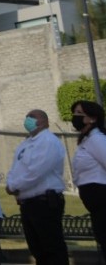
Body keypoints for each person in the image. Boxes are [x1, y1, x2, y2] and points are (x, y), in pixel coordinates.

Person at [6, 109, 68, 265]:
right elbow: (15, 168)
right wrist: (11, 185)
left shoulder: (48, 141)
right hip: (28, 203)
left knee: (51, 248)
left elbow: (37, 171)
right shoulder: (25, 144)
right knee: (37, 249)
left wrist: (15, 186)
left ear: (45, 121)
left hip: (45, 201)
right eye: (27, 116)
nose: (28, 119)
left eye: (33, 117)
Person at [72, 100, 106, 260]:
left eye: (80, 113)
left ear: (92, 118)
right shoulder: (86, 141)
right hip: (96, 203)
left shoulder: (96, 139)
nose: (75, 116)